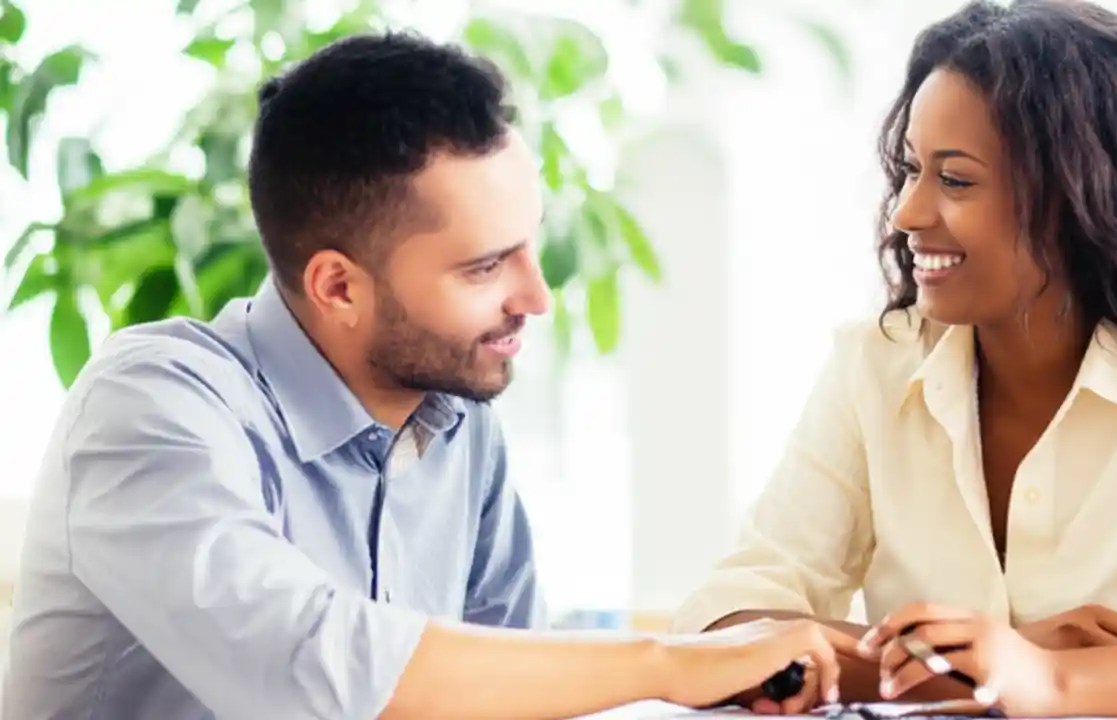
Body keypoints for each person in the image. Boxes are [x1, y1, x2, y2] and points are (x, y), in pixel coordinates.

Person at [2, 33, 860, 719]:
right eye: (486, 267)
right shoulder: (152, 404)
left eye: (532, 242)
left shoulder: (455, 421)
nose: (538, 296)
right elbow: (312, 666)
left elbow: (508, 684)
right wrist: (669, 663)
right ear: (338, 285)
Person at [673, 0, 1117, 716]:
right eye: (909, 171)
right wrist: (989, 660)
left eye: (955, 180)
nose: (906, 212)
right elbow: (724, 629)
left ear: (1080, 195)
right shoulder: (877, 367)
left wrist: (1047, 680)